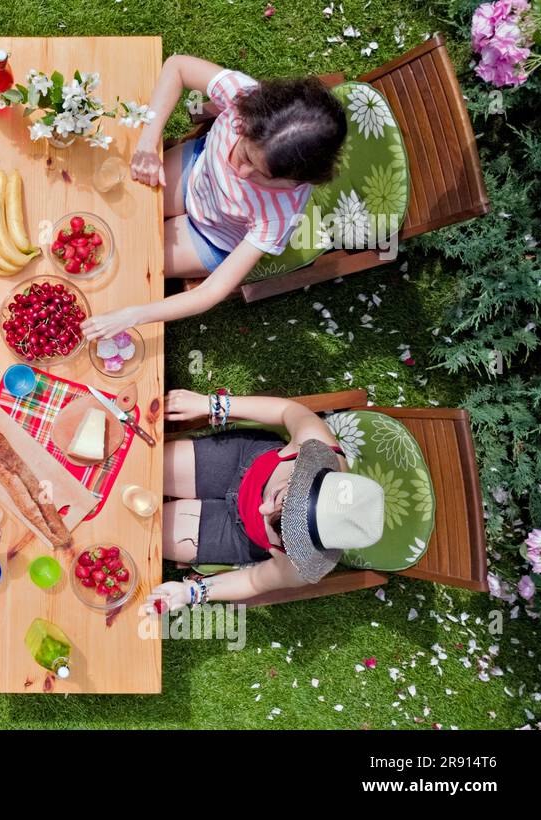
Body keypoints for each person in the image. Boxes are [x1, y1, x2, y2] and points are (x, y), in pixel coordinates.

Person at [82, 56, 347, 342]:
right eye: (246, 154)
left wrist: (132, 316)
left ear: (298, 180)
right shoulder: (244, 97)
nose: (242, 172)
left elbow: (211, 292)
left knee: (126, 255)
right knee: (109, 212)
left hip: (211, 236)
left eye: (264, 175)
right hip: (196, 173)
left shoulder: (281, 216)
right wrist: (148, 143)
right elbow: (177, 67)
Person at [142, 389, 386, 613]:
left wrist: (189, 593)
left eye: (279, 530)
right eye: (279, 498)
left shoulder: (301, 564)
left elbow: (254, 580)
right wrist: (213, 405)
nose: (262, 508)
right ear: (304, 473)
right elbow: (287, 410)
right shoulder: (315, 441)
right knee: (145, 470)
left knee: (144, 533)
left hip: (241, 534)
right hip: (240, 464)